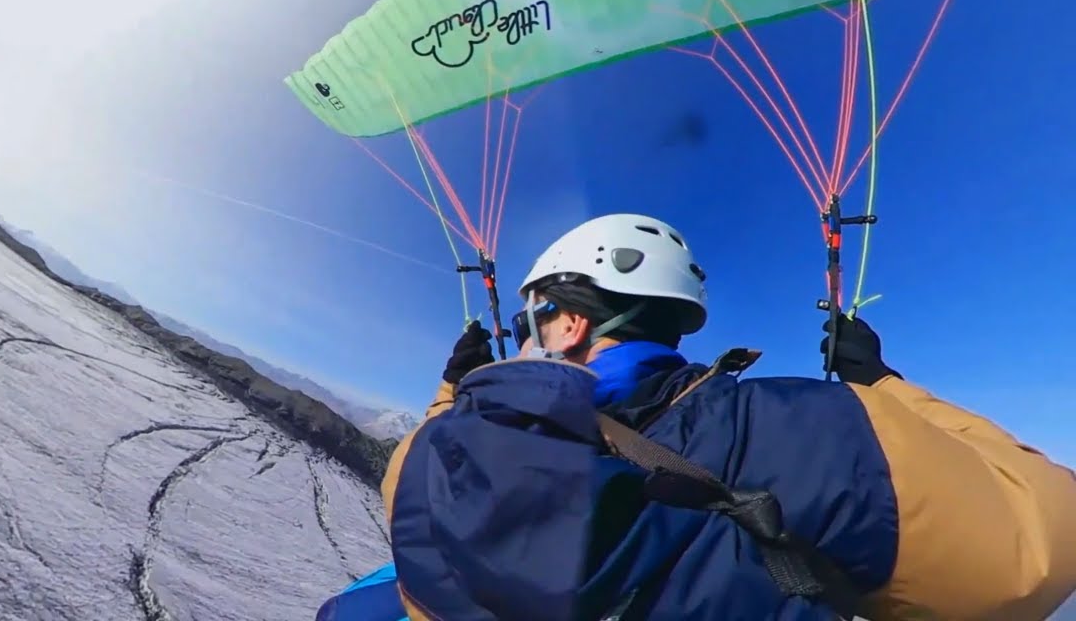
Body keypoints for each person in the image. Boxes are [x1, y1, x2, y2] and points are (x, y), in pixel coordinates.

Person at [318, 213, 1076, 621]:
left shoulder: (447, 448)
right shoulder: (802, 431)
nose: (527, 339)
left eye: (532, 322)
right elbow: (1037, 546)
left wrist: (457, 388)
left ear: (572, 323)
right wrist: (885, 387)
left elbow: (409, 470)